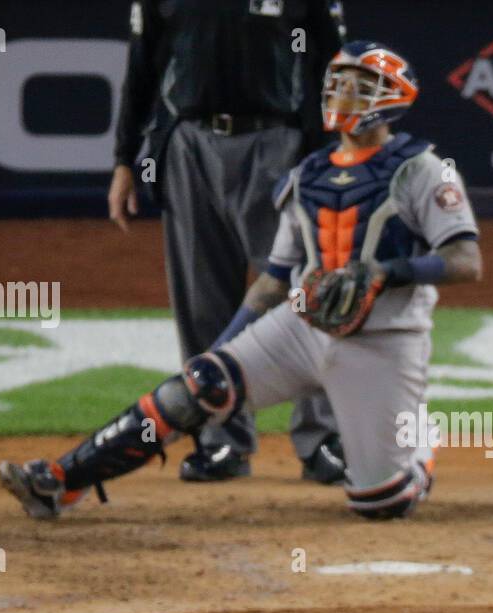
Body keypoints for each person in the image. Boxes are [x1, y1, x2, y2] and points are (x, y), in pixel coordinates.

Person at [0, 40, 482, 521]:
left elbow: (466, 261)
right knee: (199, 386)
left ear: (393, 97)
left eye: (359, 87)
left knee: (381, 502)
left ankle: (417, 436)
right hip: (303, 326)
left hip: (382, 340)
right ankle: (61, 482)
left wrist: (387, 271)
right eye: (337, 85)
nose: (342, 96)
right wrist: (222, 346)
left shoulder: (424, 170)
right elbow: (272, 281)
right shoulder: (306, 175)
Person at [109, 0, 348, 484]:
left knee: (306, 292)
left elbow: (333, 61)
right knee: (203, 303)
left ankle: (321, 438)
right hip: (190, 144)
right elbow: (142, 65)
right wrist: (123, 159)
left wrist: (331, 152)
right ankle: (222, 442)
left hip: (280, 143)